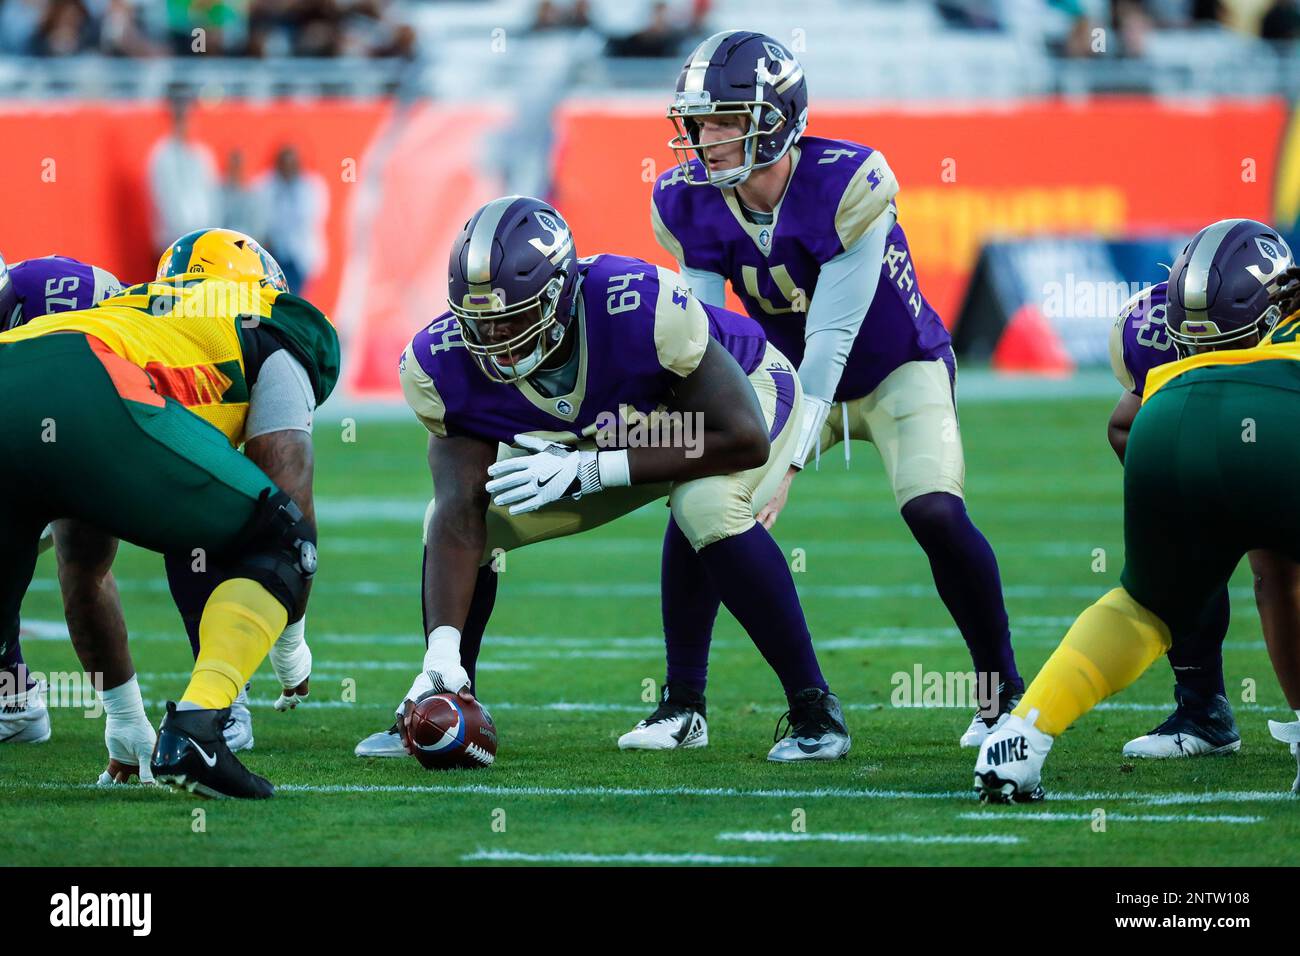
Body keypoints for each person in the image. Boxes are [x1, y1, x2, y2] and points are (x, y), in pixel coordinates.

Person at [356, 195, 851, 763]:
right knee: (475, 519)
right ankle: (443, 696)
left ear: (561, 298)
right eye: (478, 322)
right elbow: (458, 502)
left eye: (512, 318)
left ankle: (814, 708)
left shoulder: (636, 307)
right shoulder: (442, 363)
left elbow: (739, 437)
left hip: (740, 401)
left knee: (705, 504)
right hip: (617, 431)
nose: (493, 341)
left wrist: (592, 469)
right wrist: (439, 655)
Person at [642, 30, 1021, 749]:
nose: (707, 136)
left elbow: (832, 339)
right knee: (697, 502)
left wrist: (783, 463)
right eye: (701, 120)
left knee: (935, 512)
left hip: (894, 370)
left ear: (778, 118)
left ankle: (1002, 693)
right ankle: (684, 705)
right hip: (783, 382)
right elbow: (699, 337)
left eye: (726, 118)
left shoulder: (846, 183)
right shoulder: (688, 202)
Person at [0, 228, 339, 798]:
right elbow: (290, 495)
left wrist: (124, 720)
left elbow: (84, 567)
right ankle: (201, 725)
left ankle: (129, 731)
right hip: (93, 383)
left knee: (81, 555)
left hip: (20, 361)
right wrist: (289, 646)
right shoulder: (263, 315)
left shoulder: (130, 310)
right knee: (282, 537)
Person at [975, 219, 1300, 801]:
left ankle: (1024, 732)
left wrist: (1206, 515)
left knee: (1144, 607)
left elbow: (1123, 423)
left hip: (1170, 420)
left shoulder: (1163, 328)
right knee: (1276, 574)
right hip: (1282, 416)